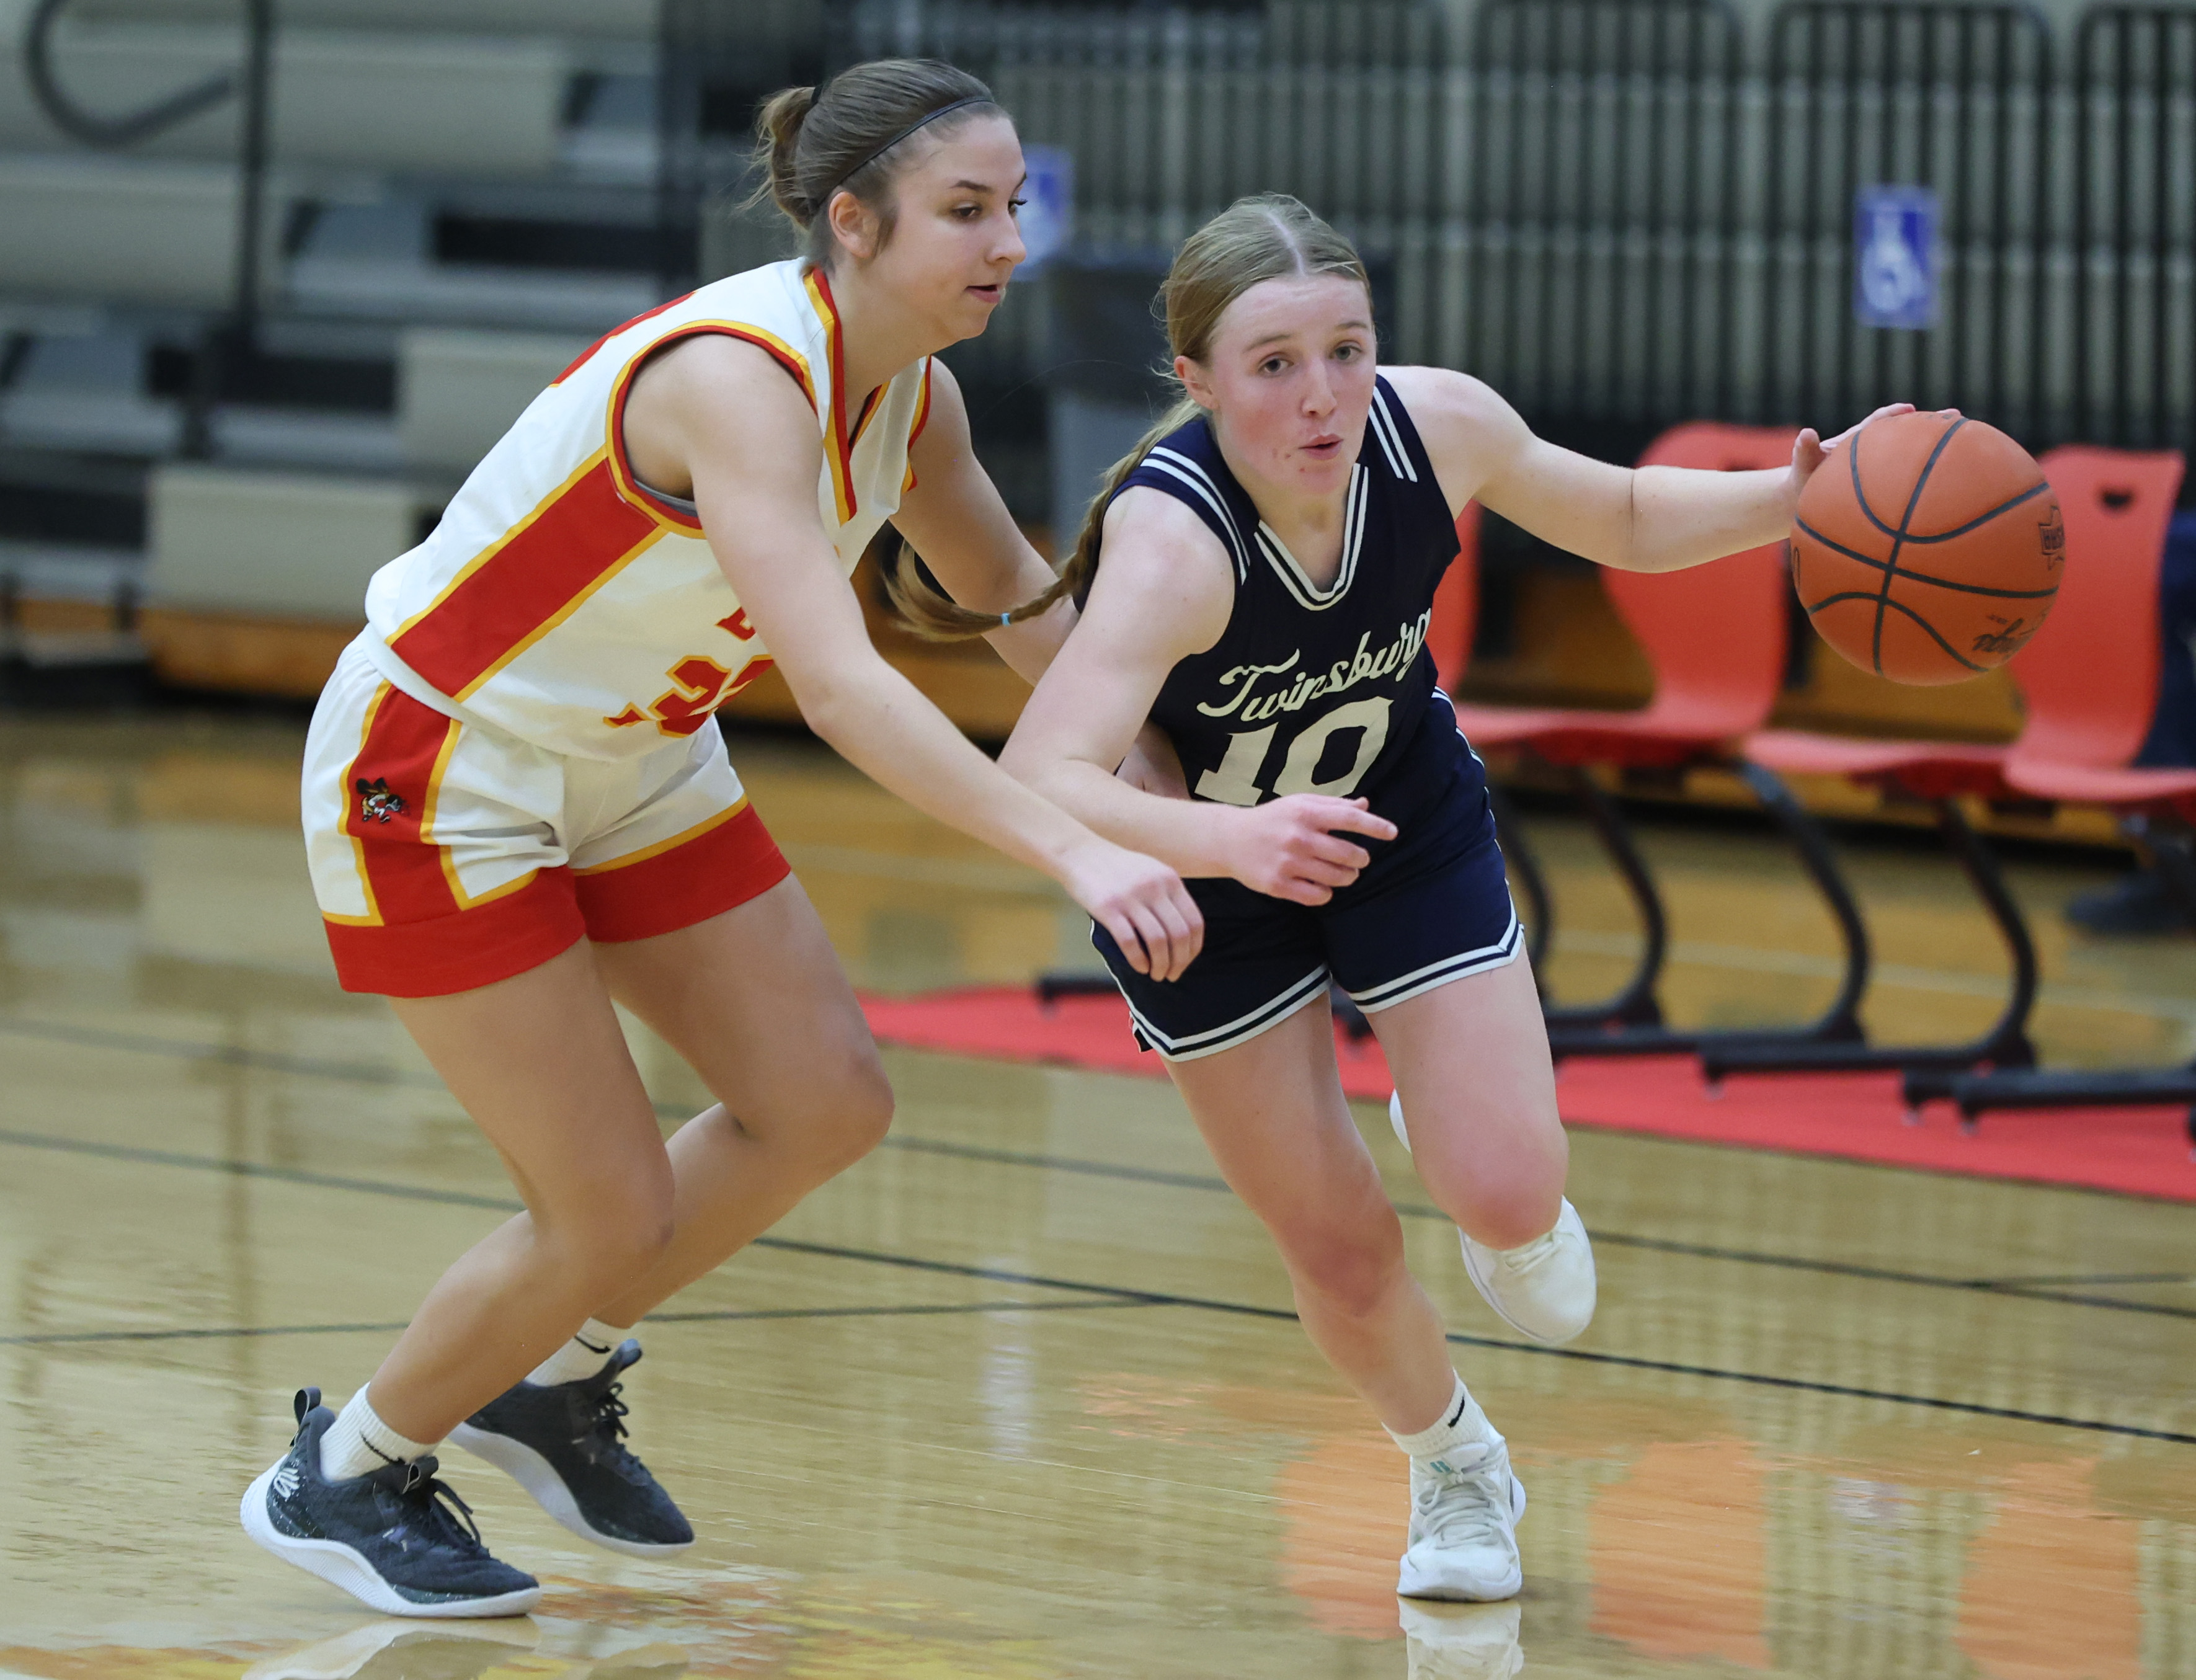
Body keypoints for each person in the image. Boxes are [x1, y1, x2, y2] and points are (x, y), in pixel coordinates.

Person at [240, 59, 1204, 1619]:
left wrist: (1177, 793)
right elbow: (838, 685)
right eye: (965, 209)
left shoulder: (917, 397)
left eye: (1011, 206)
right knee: (604, 1203)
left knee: (824, 1099)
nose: (1003, 241)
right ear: (853, 219)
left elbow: (1027, 610)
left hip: (631, 755)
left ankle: (541, 1379)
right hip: (443, 761)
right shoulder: (737, 377)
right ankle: (346, 1470)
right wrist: (1081, 854)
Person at [991, 194, 1903, 1601]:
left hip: (1395, 813)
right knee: (1339, 1240)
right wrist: (1226, 840)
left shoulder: (1438, 428)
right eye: (1275, 363)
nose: (1323, 394)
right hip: (1209, 866)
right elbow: (1044, 766)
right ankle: (1456, 1464)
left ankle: (1474, 1135)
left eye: (1346, 348)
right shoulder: (1174, 547)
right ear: (1198, 381)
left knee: (1504, 1185)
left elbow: (1628, 511)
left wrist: (1792, 503)